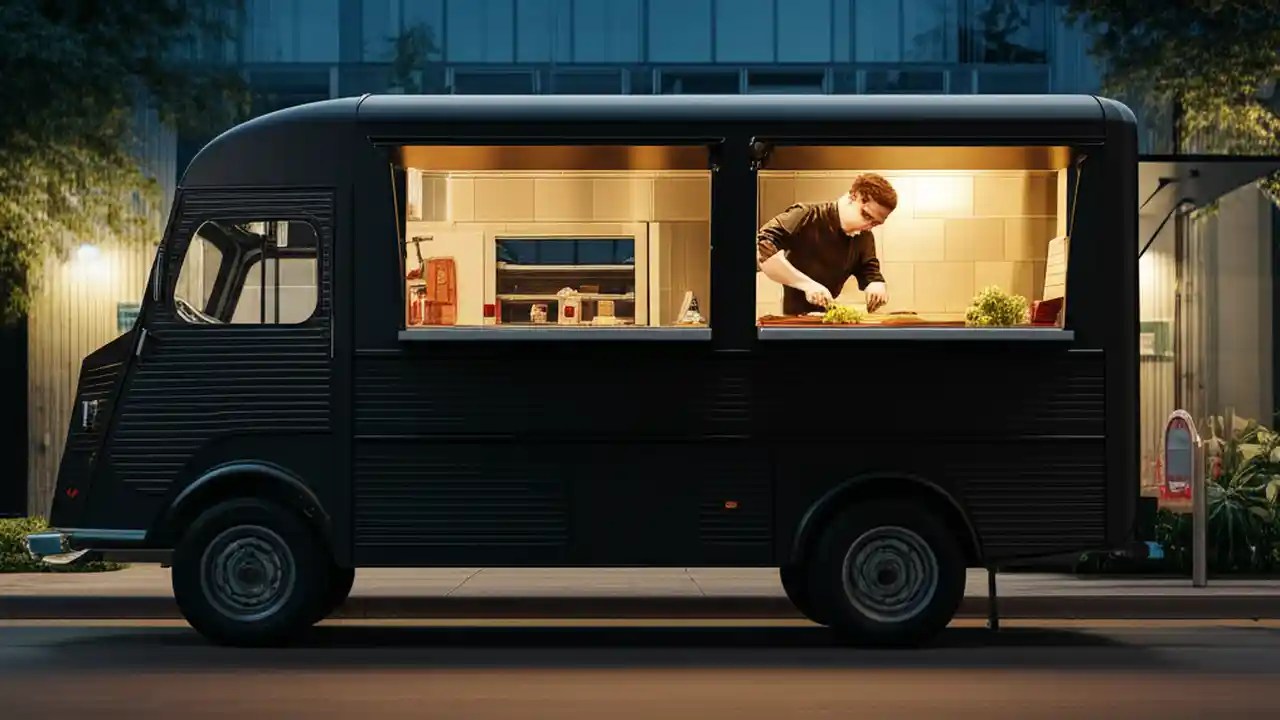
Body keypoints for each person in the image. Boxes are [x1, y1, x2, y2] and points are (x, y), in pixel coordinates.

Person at [757, 173, 897, 315]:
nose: (868, 226)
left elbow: (868, 268)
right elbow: (762, 246)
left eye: (875, 223)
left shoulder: (865, 237)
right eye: (866, 216)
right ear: (852, 196)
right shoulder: (805, 215)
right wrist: (807, 285)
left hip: (825, 317)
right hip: (790, 316)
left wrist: (876, 284)